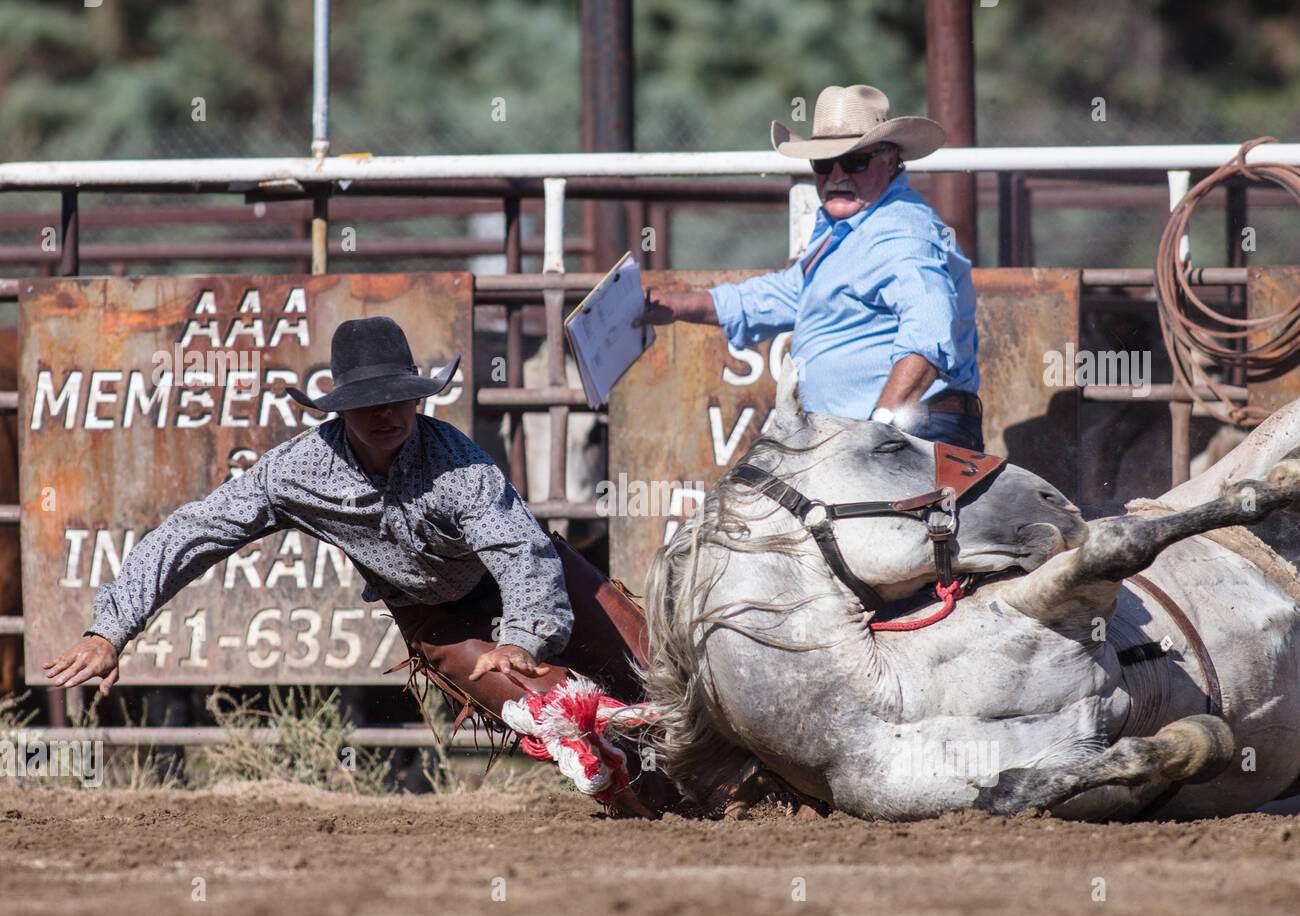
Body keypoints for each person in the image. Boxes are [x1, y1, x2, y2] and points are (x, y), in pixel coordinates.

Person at [42, 316, 660, 816]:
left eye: (398, 398)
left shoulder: (459, 463)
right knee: (551, 711)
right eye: (367, 402)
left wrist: (523, 634)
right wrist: (111, 628)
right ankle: (634, 800)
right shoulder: (296, 472)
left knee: (655, 664)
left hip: (533, 579)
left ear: (418, 398)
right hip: (440, 616)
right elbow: (195, 530)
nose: (386, 413)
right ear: (338, 409)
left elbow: (519, 549)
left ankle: (727, 773)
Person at [637, 84, 982, 450]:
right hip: (861, 434)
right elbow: (784, 295)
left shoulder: (900, 232)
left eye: (854, 161)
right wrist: (673, 305)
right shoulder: (849, 230)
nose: (836, 176)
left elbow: (928, 336)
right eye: (822, 163)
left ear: (892, 160)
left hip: (909, 433)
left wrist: (878, 429)